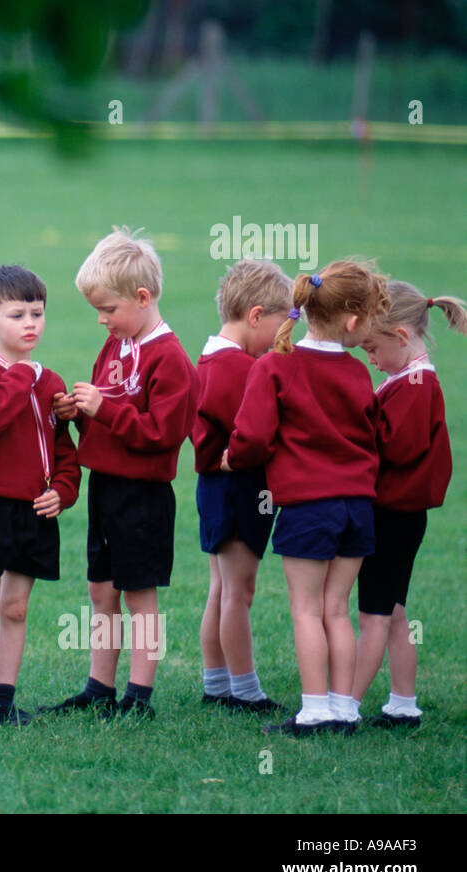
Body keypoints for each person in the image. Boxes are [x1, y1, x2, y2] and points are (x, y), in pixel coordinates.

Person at [223, 260, 389, 736]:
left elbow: (252, 437)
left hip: (308, 508)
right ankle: (344, 710)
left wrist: (234, 457)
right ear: (353, 322)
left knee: (306, 610)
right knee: (337, 610)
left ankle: (314, 712)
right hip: (358, 507)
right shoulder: (358, 373)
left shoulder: (276, 365)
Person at [43, 227, 197, 718]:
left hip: (143, 494)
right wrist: (78, 411)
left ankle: (139, 696)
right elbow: (107, 408)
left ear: (143, 297)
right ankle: (98, 687)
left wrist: (104, 411)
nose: (102, 319)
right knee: (101, 589)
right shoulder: (115, 346)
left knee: (138, 594)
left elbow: (162, 433)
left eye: (109, 309)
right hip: (105, 487)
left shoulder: (169, 358)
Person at [0, 265, 79, 723]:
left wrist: (64, 492)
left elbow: (64, 452)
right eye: (16, 315)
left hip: (35, 510)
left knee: (16, 607)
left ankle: (5, 701)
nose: (30, 324)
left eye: (37, 313)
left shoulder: (51, 383)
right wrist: (21, 375)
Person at [350, 281, 466, 728]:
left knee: (373, 615)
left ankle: (344, 705)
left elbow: (395, 447)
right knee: (394, 612)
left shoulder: (416, 384)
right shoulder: (406, 378)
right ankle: (403, 704)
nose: (370, 359)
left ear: (400, 336)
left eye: (372, 349)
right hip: (398, 514)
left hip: (394, 516)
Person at [193, 259, 292, 712]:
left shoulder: (212, 357)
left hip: (218, 488)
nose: (284, 336)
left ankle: (216, 683)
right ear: (255, 316)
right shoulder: (238, 368)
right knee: (240, 591)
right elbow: (254, 432)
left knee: (222, 588)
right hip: (237, 489)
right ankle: (245, 690)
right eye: (282, 324)